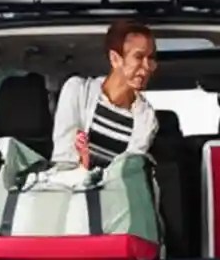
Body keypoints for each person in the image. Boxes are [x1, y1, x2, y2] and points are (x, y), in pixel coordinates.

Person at [52, 19, 159, 169]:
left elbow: (128, 174)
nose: (148, 67)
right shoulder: (77, 91)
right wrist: (83, 164)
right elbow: (63, 159)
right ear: (115, 59)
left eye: (151, 58)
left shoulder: (146, 117)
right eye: (139, 57)